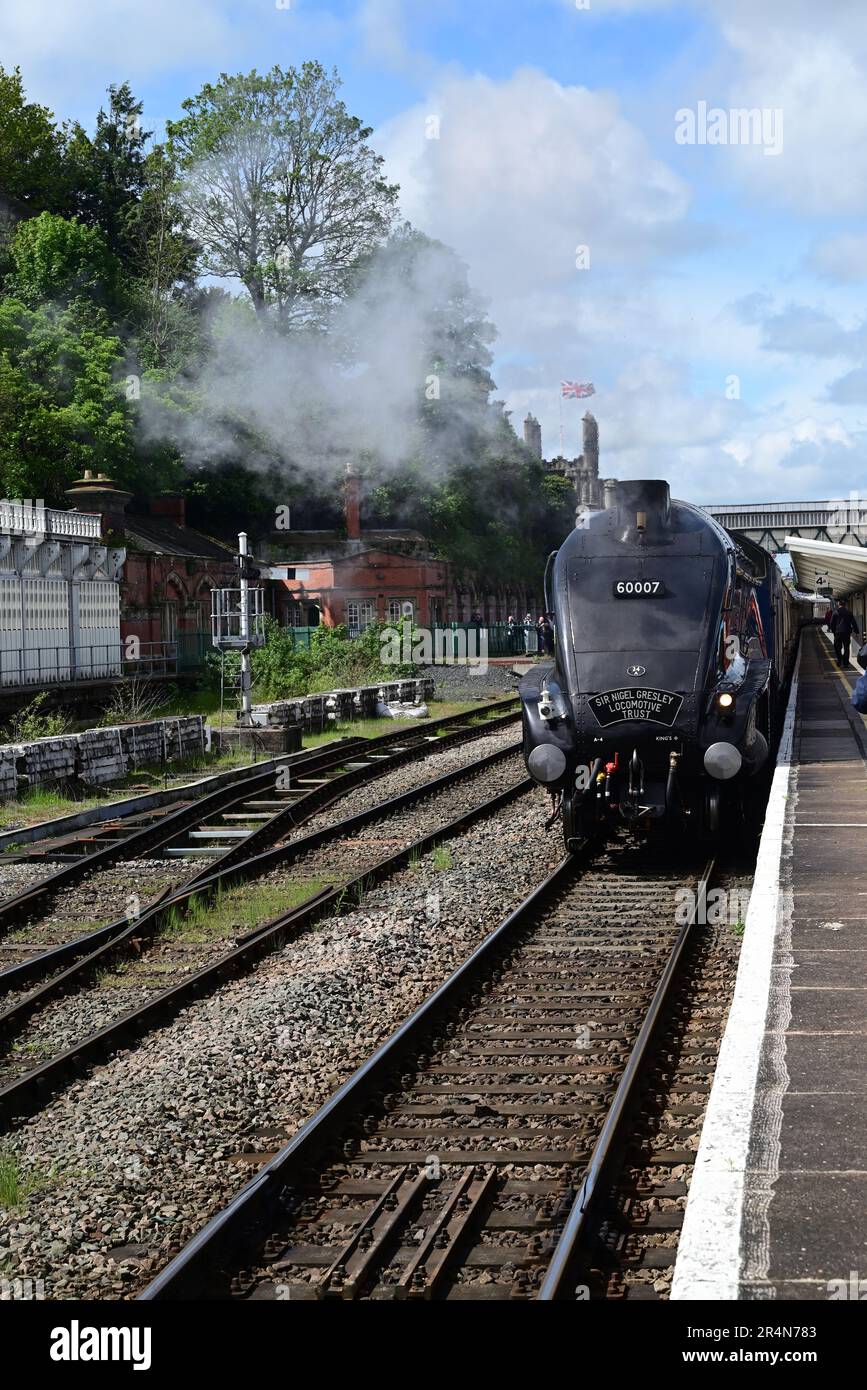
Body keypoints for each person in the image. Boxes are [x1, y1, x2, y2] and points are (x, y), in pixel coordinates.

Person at [829, 598, 861, 668]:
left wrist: (834, 631)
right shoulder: (849, 612)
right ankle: (846, 663)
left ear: (838, 604)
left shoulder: (835, 612)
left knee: (837, 648)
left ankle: (839, 661)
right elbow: (853, 623)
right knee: (846, 648)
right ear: (845, 605)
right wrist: (857, 632)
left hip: (838, 633)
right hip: (846, 633)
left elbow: (831, 623)